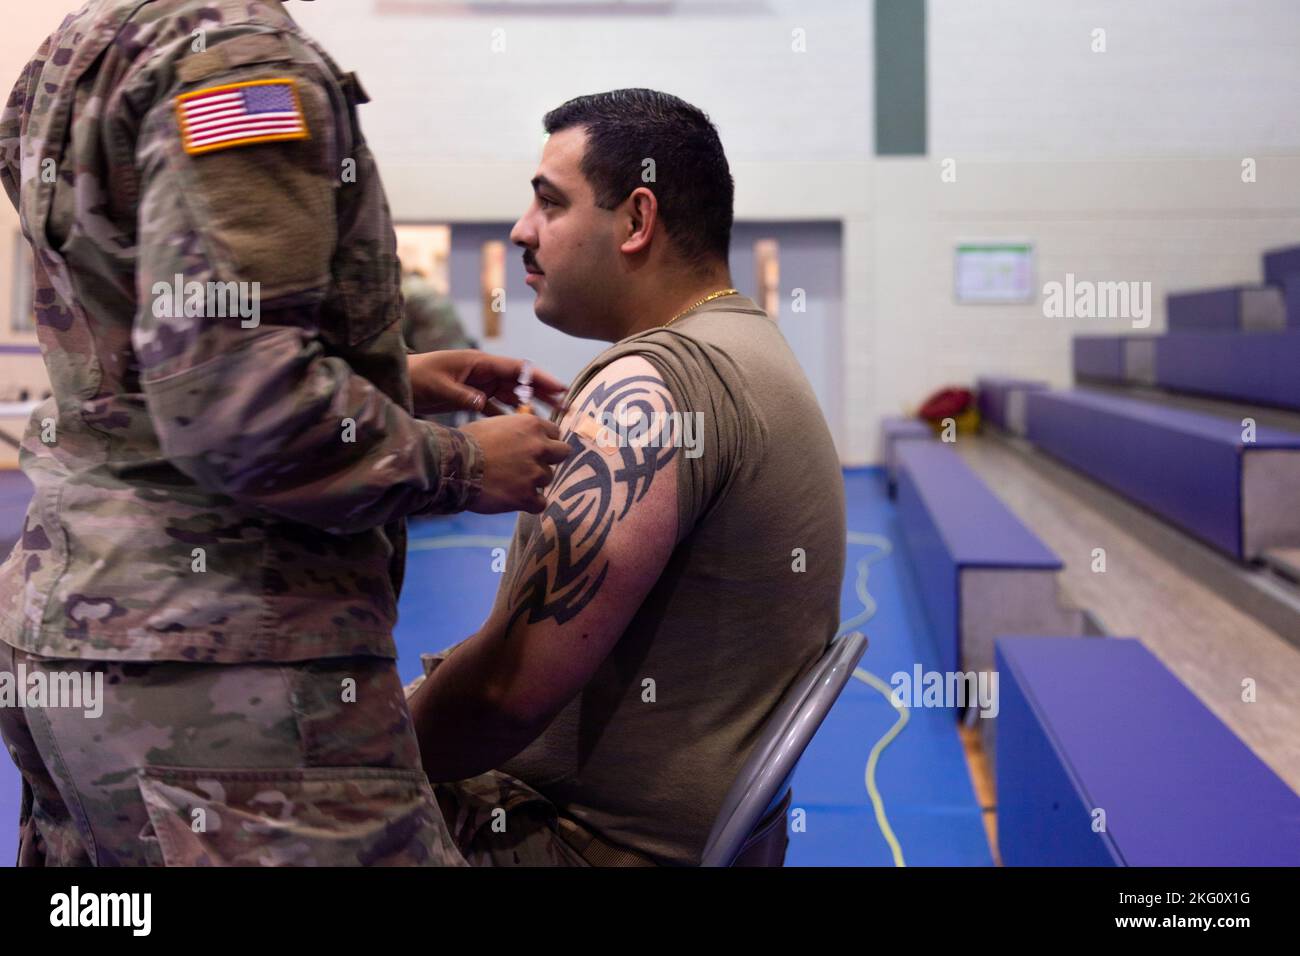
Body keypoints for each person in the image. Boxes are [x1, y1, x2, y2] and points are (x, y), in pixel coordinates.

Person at [0, 0, 569, 866]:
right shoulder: (239, 60)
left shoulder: (82, 47)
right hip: (227, 661)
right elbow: (239, 402)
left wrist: (387, 378)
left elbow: (145, 343)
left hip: (74, 629)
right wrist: (459, 463)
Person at [408, 89, 847, 867]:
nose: (521, 230)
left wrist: (357, 744)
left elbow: (503, 698)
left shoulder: (648, 381)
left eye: (550, 203)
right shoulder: (750, 346)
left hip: (576, 844)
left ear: (637, 220)